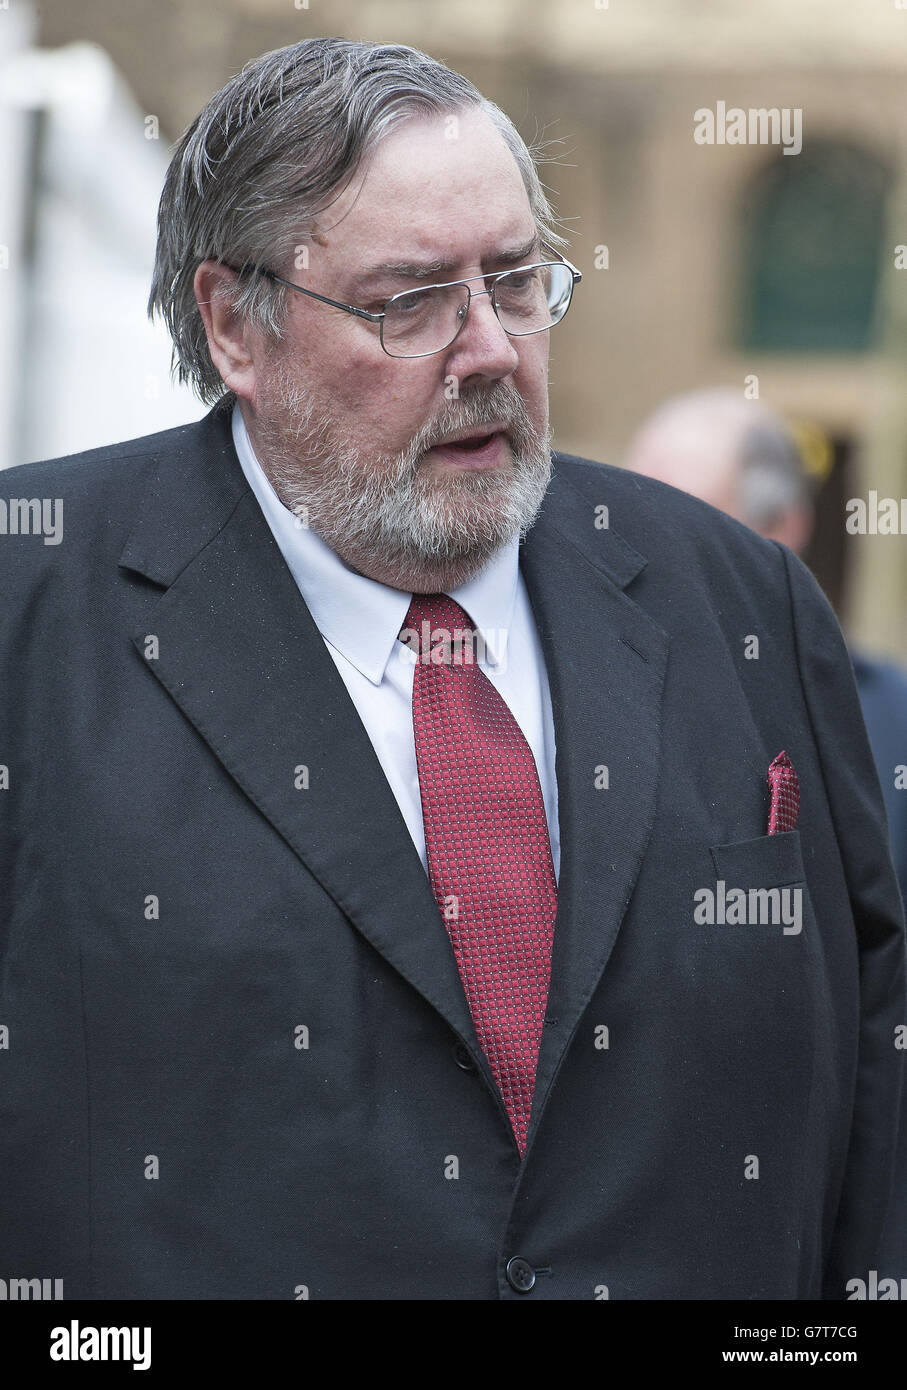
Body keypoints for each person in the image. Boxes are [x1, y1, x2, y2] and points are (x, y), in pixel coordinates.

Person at [0, 38, 903, 1302]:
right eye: (410, 300)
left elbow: (874, 1039)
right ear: (232, 324)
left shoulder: (731, 594)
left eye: (517, 282)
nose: (488, 349)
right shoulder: (32, 605)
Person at [625, 385, 907, 1279]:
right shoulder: (560, 705)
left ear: (777, 527)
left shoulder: (890, 721)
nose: (625, 552)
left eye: (673, 521)